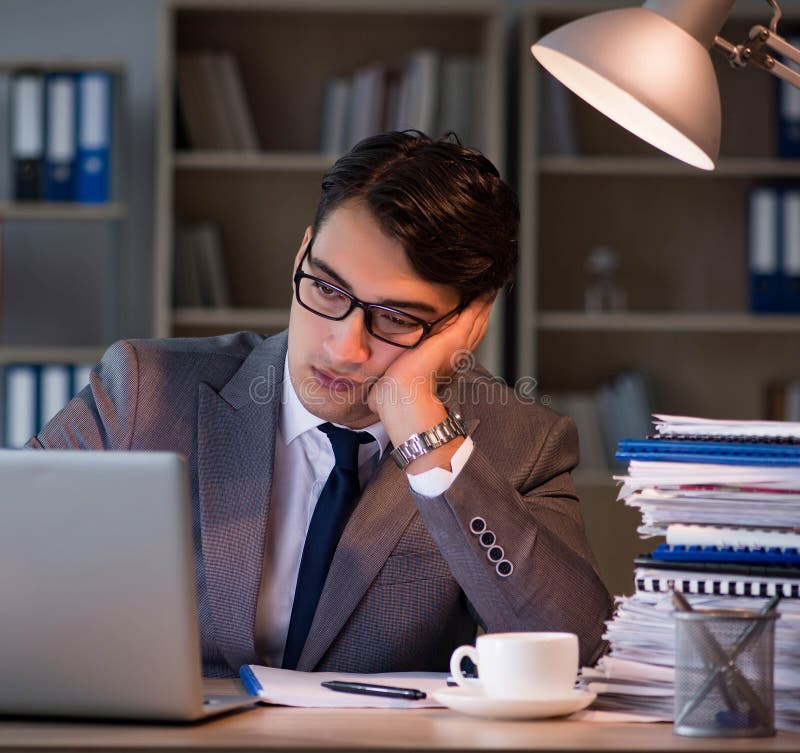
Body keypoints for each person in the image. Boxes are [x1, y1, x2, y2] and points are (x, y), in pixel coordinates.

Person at [30, 131, 612, 678]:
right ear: (301, 255)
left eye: (397, 318)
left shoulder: (521, 446)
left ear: (464, 323)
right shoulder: (145, 391)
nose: (344, 346)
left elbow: (580, 652)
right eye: (328, 289)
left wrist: (419, 426)